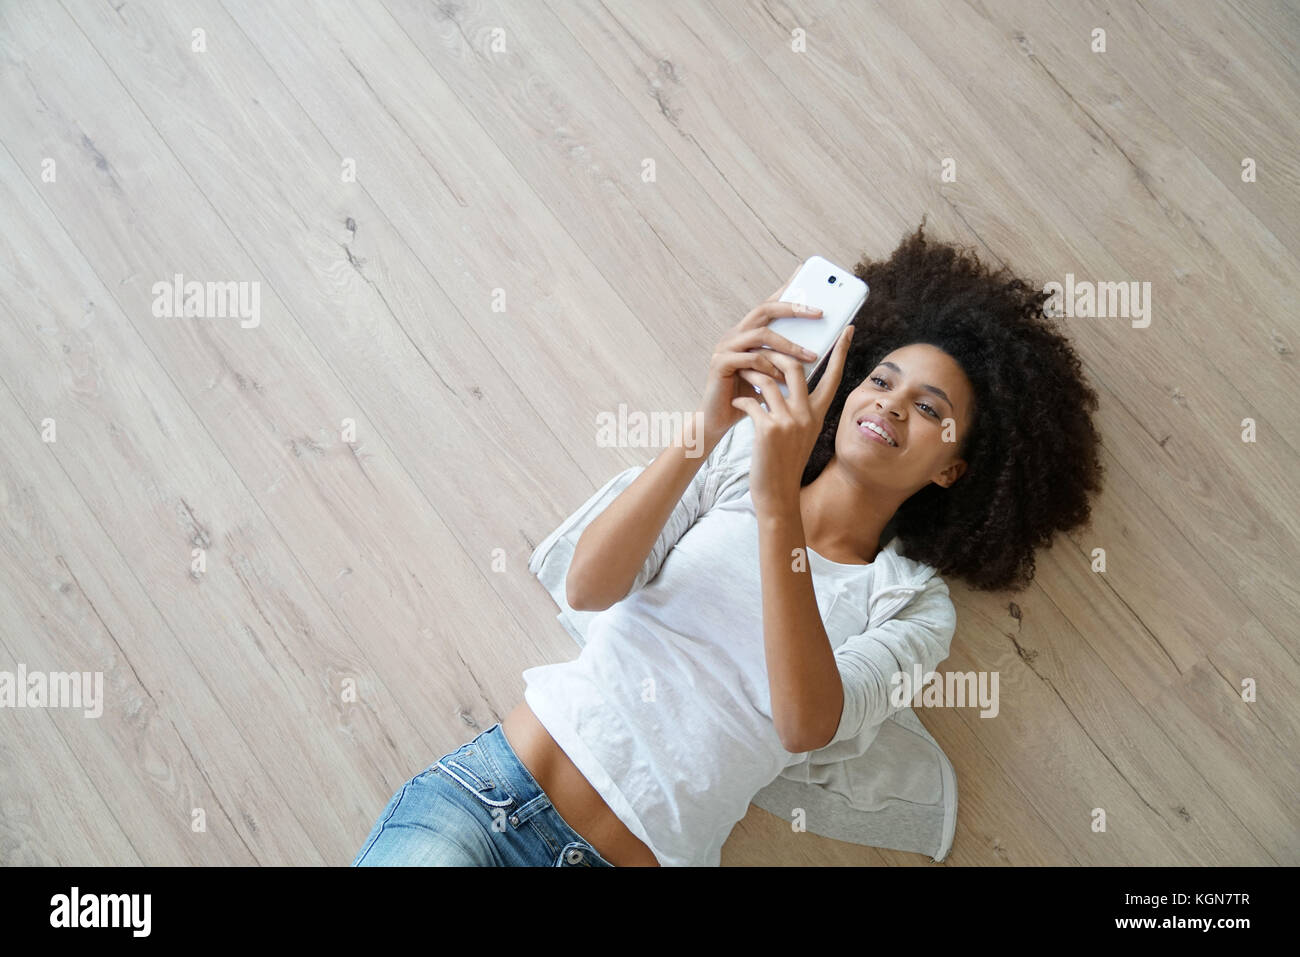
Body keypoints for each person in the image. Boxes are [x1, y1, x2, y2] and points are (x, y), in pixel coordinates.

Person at [351, 219, 1105, 867]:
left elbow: (806, 721)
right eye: (881, 380)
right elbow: (588, 585)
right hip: (489, 796)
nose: (890, 404)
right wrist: (710, 422)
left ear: (952, 466)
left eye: (928, 406)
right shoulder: (740, 458)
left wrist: (781, 509)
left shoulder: (912, 607)